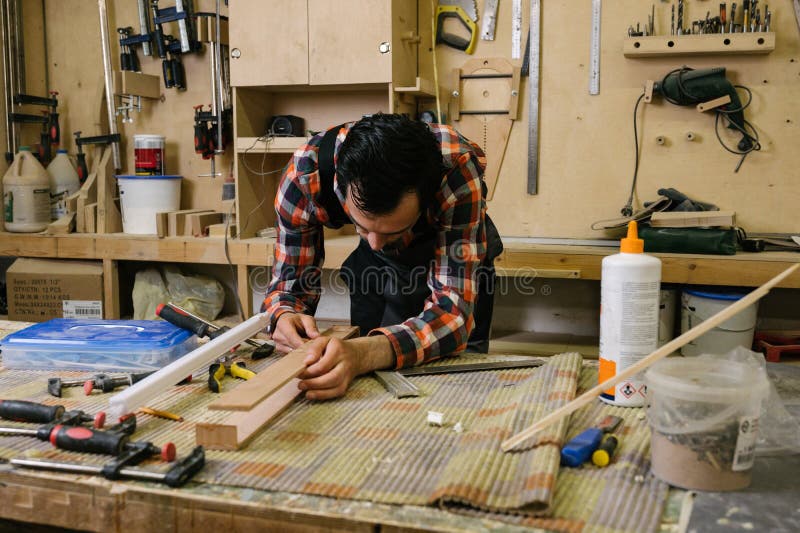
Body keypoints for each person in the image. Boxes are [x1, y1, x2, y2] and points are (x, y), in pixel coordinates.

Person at [263, 113, 503, 400]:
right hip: (374, 271)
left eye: (392, 231)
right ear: (343, 182)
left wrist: (363, 354)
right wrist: (285, 315)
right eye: (362, 227)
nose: (376, 244)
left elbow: (452, 316)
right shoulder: (304, 175)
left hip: (450, 252)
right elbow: (288, 287)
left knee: (461, 383)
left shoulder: (457, 169)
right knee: (367, 382)